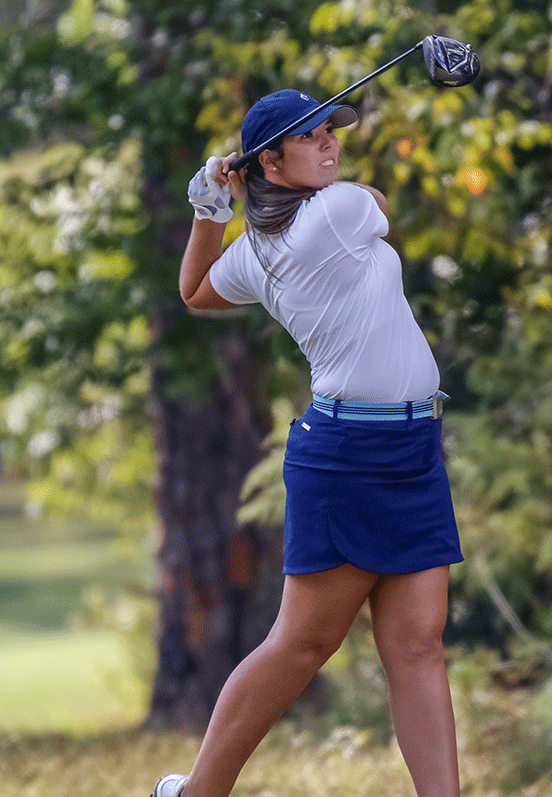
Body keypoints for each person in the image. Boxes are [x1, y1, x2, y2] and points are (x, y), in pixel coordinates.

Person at [154, 88, 464, 797]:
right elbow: (380, 198)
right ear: (270, 158)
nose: (331, 144)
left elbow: (196, 287)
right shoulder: (339, 212)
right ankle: (198, 791)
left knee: (417, 643)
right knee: (300, 645)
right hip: (351, 456)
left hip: (410, 449)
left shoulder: (260, 245)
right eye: (313, 136)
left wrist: (210, 210)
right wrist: (228, 205)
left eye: (333, 133)